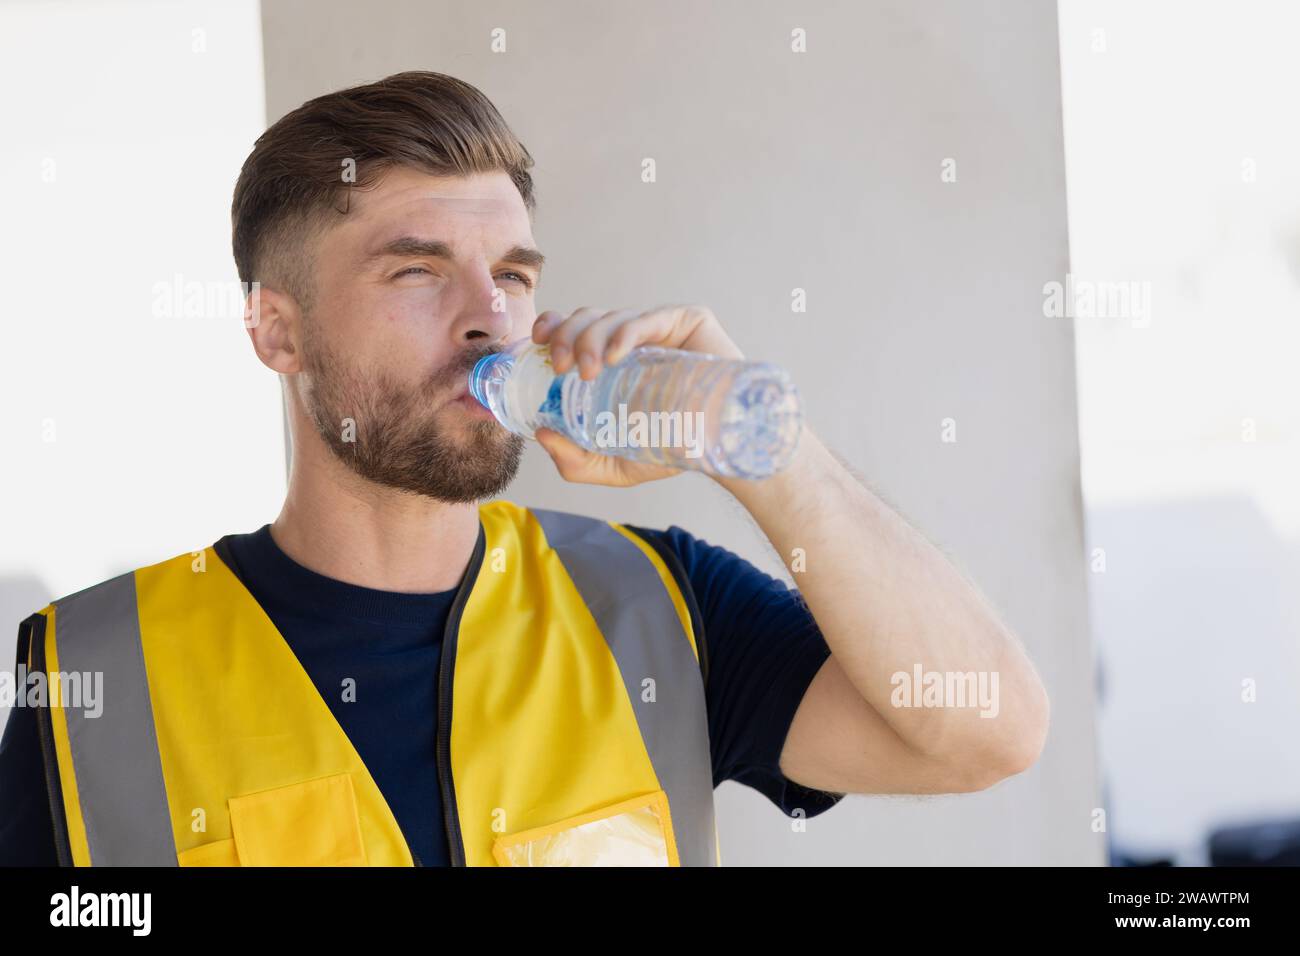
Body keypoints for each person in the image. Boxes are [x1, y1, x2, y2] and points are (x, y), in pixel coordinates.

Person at [0, 71, 1049, 867]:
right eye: (417, 270)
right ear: (278, 333)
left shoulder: (657, 608)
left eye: (510, 274)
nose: (489, 318)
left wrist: (768, 454)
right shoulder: (92, 677)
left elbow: (986, 735)